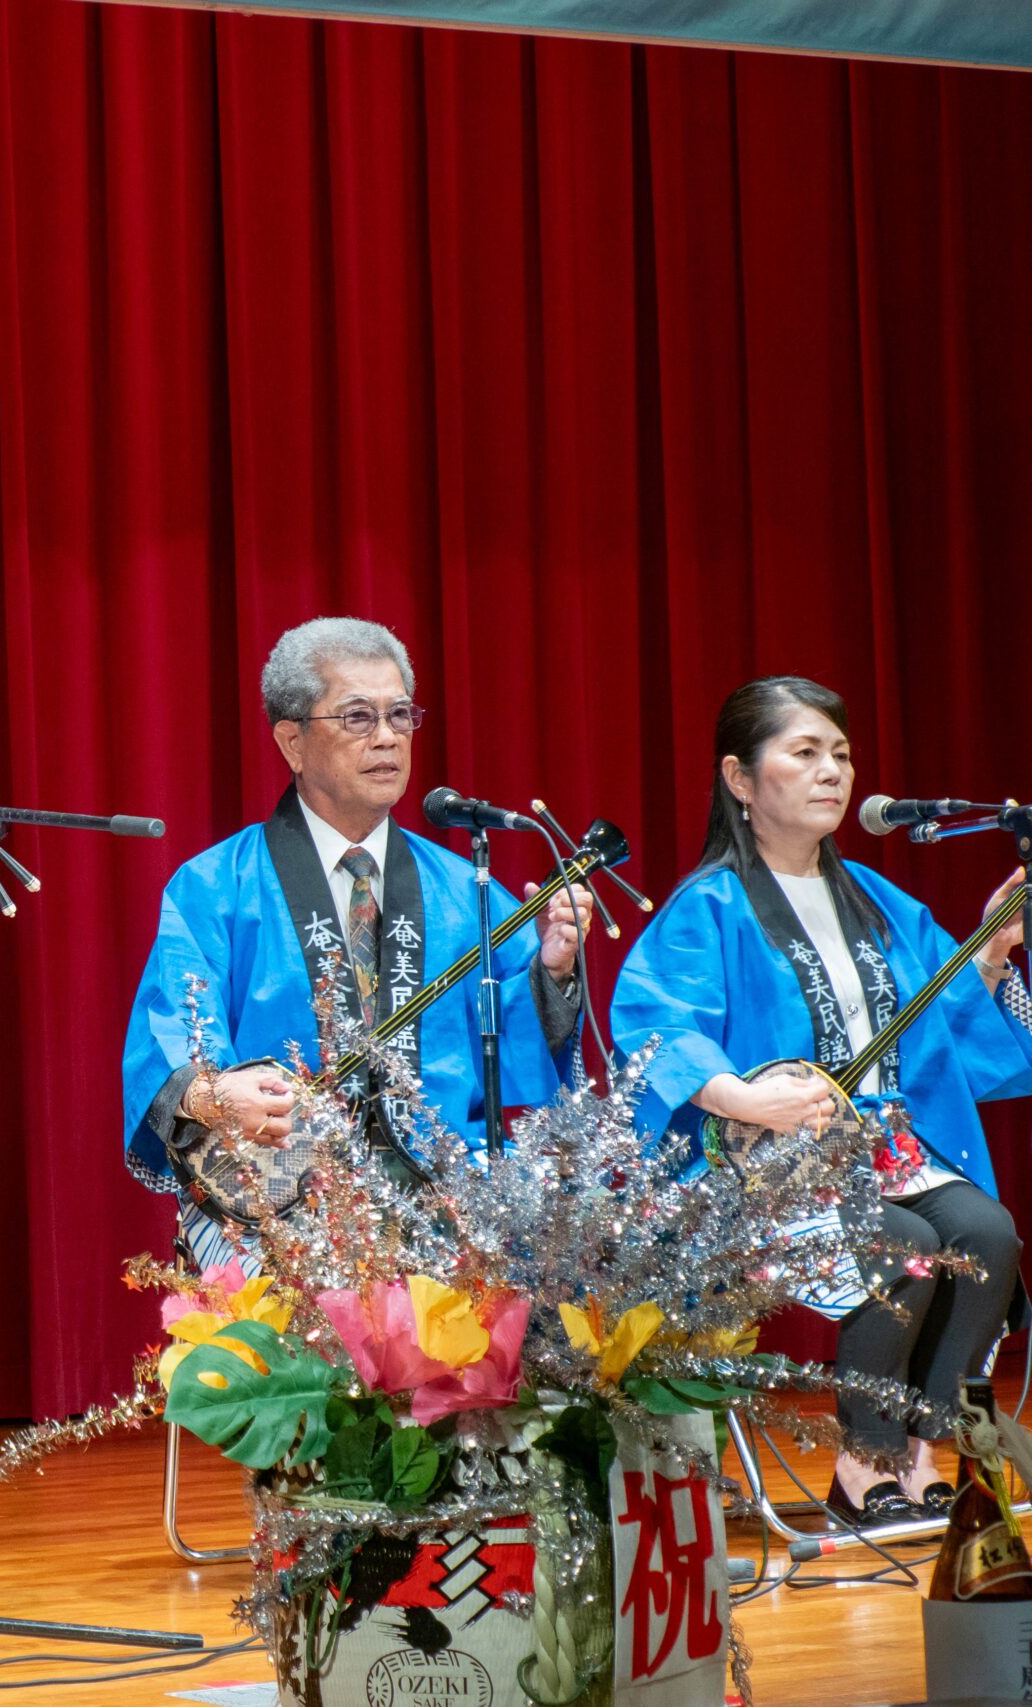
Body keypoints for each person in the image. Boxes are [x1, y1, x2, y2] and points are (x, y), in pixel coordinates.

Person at [610, 675, 1032, 1525]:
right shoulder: (710, 906)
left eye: (839, 753)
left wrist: (989, 953)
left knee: (987, 1235)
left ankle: (924, 1453)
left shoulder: (878, 901)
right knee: (905, 1243)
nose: (832, 771)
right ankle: (862, 1460)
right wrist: (744, 1097)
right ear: (740, 777)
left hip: (890, 1153)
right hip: (764, 1166)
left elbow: (946, 1032)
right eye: (804, 752)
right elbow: (658, 1023)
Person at [121, 616, 591, 1274]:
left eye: (400, 714)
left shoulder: (467, 890)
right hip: (277, 1204)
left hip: (438, 1205)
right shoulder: (216, 885)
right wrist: (211, 1095)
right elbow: (173, 1031)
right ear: (292, 741)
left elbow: (513, 1053)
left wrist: (554, 969)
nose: (388, 736)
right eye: (358, 717)